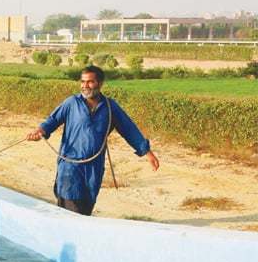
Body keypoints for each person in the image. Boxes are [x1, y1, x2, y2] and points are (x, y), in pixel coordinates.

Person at [26, 65, 160, 216]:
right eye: (83, 82)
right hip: (70, 166)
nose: (85, 86)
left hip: (94, 168)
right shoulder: (71, 103)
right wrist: (40, 132)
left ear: (100, 83)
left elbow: (128, 129)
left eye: (90, 82)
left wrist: (147, 152)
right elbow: (52, 120)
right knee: (69, 209)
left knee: (85, 209)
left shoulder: (110, 107)